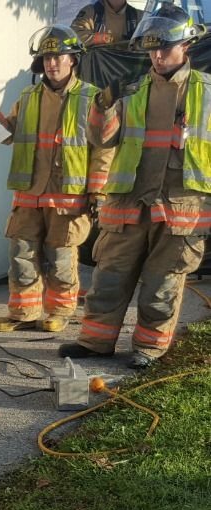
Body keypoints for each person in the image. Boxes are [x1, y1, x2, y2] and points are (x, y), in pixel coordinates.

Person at [59, 2, 209, 369]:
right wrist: (104, 104)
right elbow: (102, 139)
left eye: (165, 47)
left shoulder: (207, 94)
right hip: (129, 204)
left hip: (181, 209)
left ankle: (149, 349)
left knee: (161, 286)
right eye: (152, 48)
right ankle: (95, 343)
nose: (157, 55)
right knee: (109, 278)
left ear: (185, 45)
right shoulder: (134, 90)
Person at [0, 25, 112, 333]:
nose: (52, 63)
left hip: (68, 197)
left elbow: (102, 150)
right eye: (46, 57)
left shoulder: (91, 98)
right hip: (30, 195)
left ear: (73, 59)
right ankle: (24, 313)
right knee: (22, 255)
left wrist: (97, 192)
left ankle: (59, 311)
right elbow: (11, 134)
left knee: (59, 258)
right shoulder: (29, 96)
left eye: (58, 56)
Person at [71, 0, 144, 47]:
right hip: (96, 68)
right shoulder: (91, 12)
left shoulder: (138, 16)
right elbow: (73, 36)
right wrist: (100, 39)